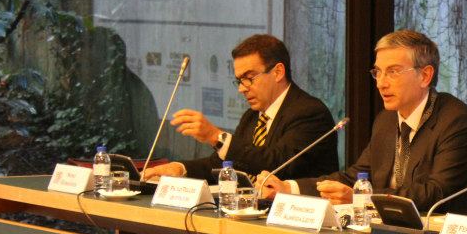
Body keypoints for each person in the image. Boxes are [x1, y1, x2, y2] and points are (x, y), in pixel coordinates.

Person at [257, 29, 467, 214]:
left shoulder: (454, 119)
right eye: (378, 72)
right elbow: (355, 176)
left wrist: (361, 198)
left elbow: (435, 193)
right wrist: (289, 188)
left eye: (393, 72)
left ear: (425, 75)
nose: (381, 83)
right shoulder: (386, 120)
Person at [142, 34, 338, 183]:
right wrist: (178, 169)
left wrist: (216, 137)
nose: (242, 88)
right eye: (239, 80)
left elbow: (276, 163)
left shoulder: (310, 113)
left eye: (249, 78)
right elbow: (223, 164)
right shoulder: (252, 117)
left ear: (278, 72)